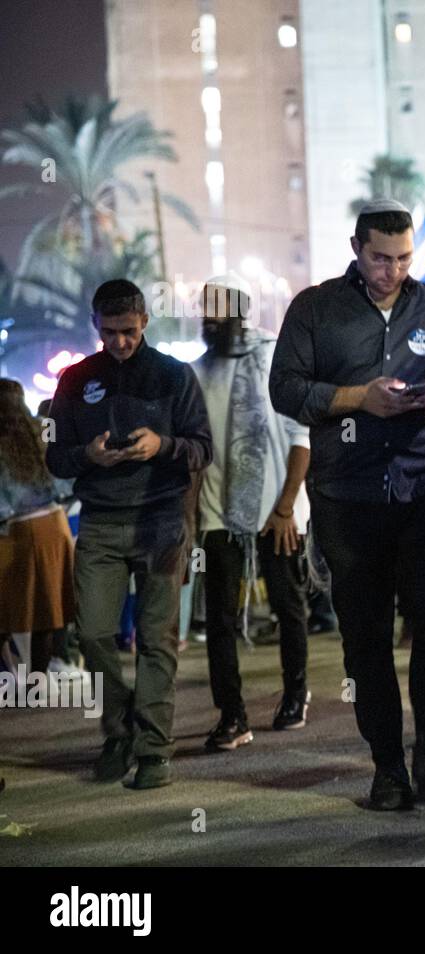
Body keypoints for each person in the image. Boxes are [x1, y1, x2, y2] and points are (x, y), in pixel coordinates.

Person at [269, 199, 425, 811]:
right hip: (349, 496)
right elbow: (284, 388)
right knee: (365, 638)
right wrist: (356, 397)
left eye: (403, 259)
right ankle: (387, 765)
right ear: (356, 249)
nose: (392, 270)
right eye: (380, 258)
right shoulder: (315, 309)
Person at [46, 279, 213, 788]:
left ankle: (154, 749)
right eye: (110, 331)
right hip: (99, 522)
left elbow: (203, 448)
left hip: (161, 521)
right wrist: (87, 456)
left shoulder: (174, 376)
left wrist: (162, 445)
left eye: (129, 330)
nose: (120, 341)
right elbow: (54, 455)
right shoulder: (73, 381)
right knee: (94, 635)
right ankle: (117, 734)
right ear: (95, 325)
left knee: (156, 642)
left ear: (144, 321)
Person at [192, 276, 313, 751]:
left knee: (288, 606)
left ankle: (295, 694)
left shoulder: (275, 357)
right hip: (218, 514)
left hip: (275, 512)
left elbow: (301, 438)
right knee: (218, 618)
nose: (209, 322)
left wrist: (285, 508)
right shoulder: (197, 372)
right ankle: (232, 715)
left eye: (217, 313)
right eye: (204, 313)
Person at [1, 379, 76, 677]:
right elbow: (67, 480)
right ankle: (38, 681)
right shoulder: (43, 429)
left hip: (15, 531)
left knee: (6, 610)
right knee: (48, 610)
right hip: (54, 525)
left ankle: (11, 675)